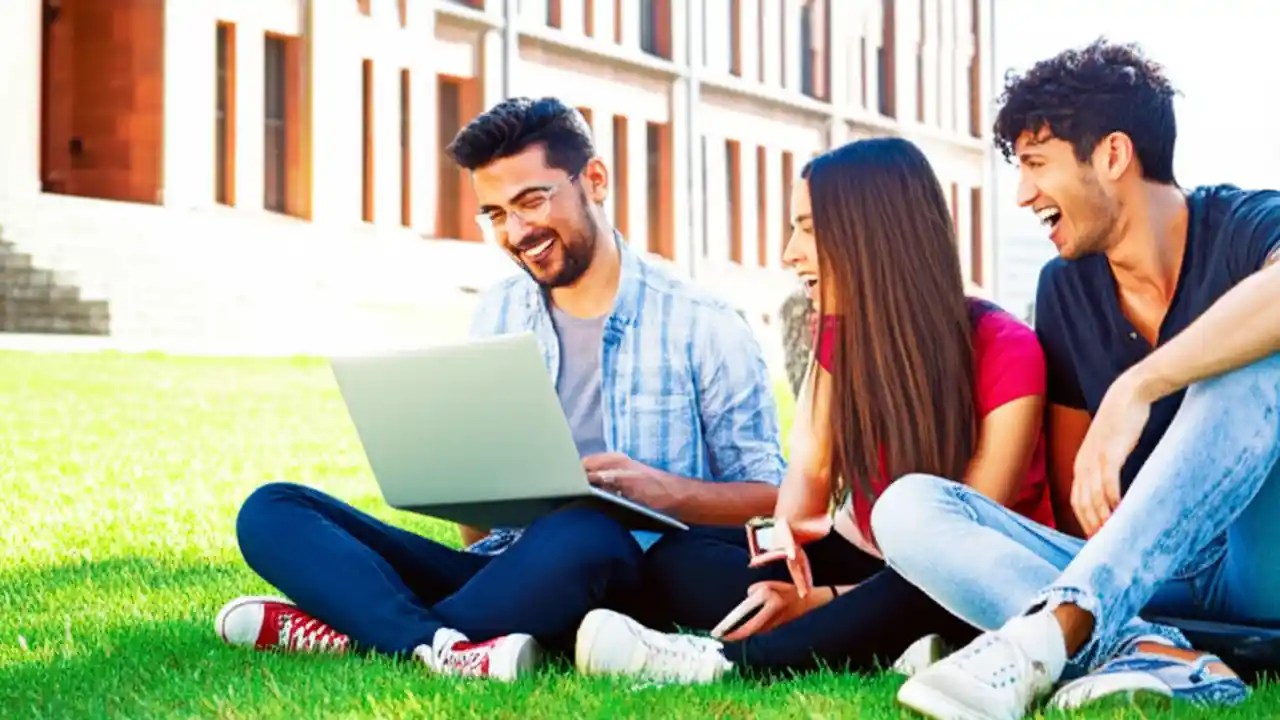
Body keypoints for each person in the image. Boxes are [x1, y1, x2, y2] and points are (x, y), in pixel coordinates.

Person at [213, 96, 786, 681]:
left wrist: (667, 493)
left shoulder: (705, 322)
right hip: (500, 568)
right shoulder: (500, 311)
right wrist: (469, 485)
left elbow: (773, 496)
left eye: (531, 201)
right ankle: (440, 645)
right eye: (494, 214)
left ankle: (362, 630)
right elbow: (481, 531)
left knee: (584, 530)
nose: (517, 232)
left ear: (594, 180)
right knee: (273, 508)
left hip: (621, 569)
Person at [879, 39, 1280, 718]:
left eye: (1037, 163)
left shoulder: (1244, 225)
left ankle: (1053, 635)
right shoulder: (1064, 289)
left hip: (1262, 553)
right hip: (1148, 569)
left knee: (1251, 363)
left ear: (1113, 156)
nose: (1023, 191)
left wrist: (1139, 384)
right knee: (907, 507)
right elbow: (1080, 503)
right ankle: (1151, 653)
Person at [571, 136, 1056, 684]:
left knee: (925, 592)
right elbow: (807, 479)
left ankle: (725, 665)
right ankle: (890, 645)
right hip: (862, 553)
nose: (790, 253)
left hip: (962, 577)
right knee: (681, 557)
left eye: (807, 227)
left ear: (871, 234)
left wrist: (818, 600)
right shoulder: (839, 338)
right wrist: (788, 568)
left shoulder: (1007, 349)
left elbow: (964, 547)